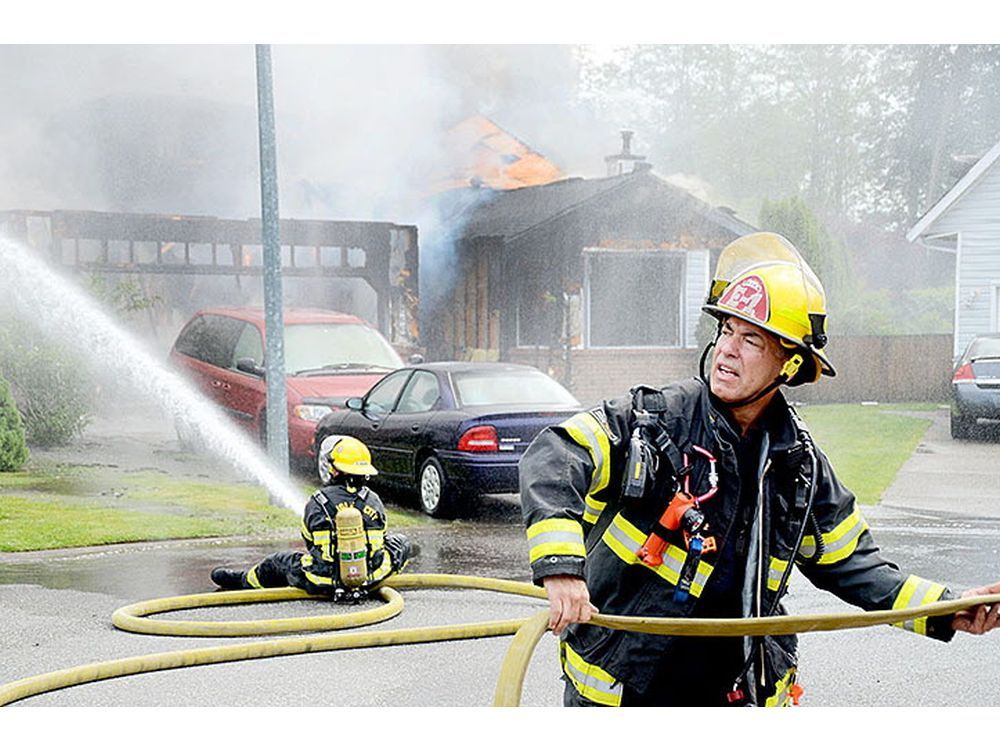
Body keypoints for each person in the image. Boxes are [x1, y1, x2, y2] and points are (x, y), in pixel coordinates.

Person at [519, 232, 1000, 707]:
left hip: (731, 696)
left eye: (750, 339)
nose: (728, 349)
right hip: (626, 695)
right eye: (726, 330)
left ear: (789, 365)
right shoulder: (655, 421)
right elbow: (555, 456)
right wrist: (562, 571)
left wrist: (949, 608)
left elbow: (858, 568)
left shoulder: (799, 468)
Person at [211, 435, 411, 598]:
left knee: (279, 561)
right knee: (401, 543)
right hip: (372, 576)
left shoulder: (318, 501)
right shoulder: (374, 500)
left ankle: (243, 581)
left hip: (322, 580)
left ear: (335, 469)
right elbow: (381, 537)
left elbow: (310, 542)